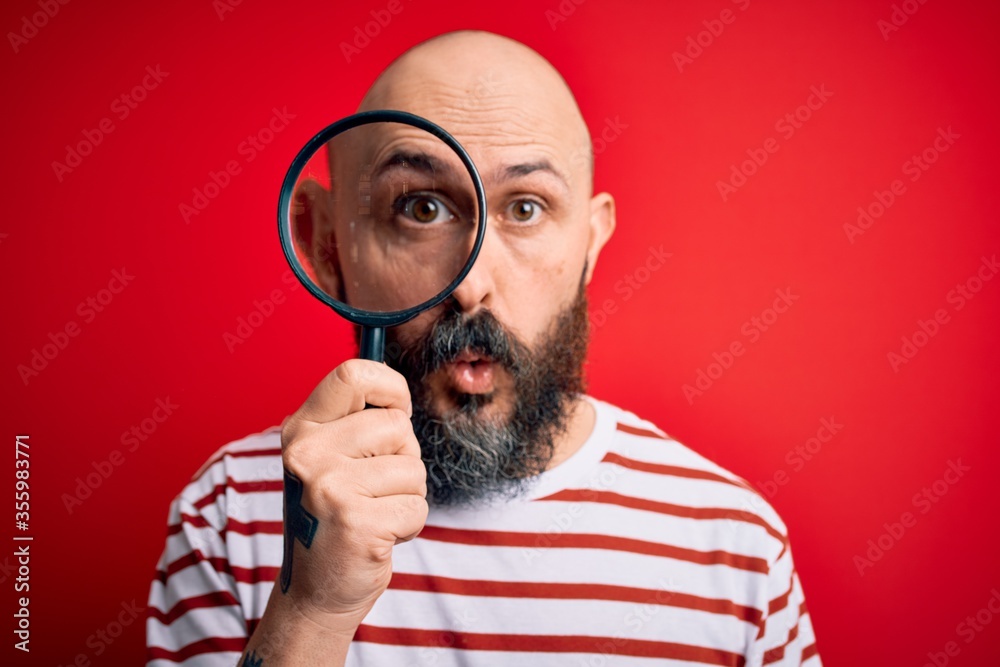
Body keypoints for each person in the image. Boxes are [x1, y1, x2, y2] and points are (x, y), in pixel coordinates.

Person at [146, 30, 821, 667]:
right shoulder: (229, 513)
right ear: (325, 243)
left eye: (526, 207)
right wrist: (312, 608)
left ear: (589, 243)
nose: (471, 286)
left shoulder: (734, 549)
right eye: (420, 208)